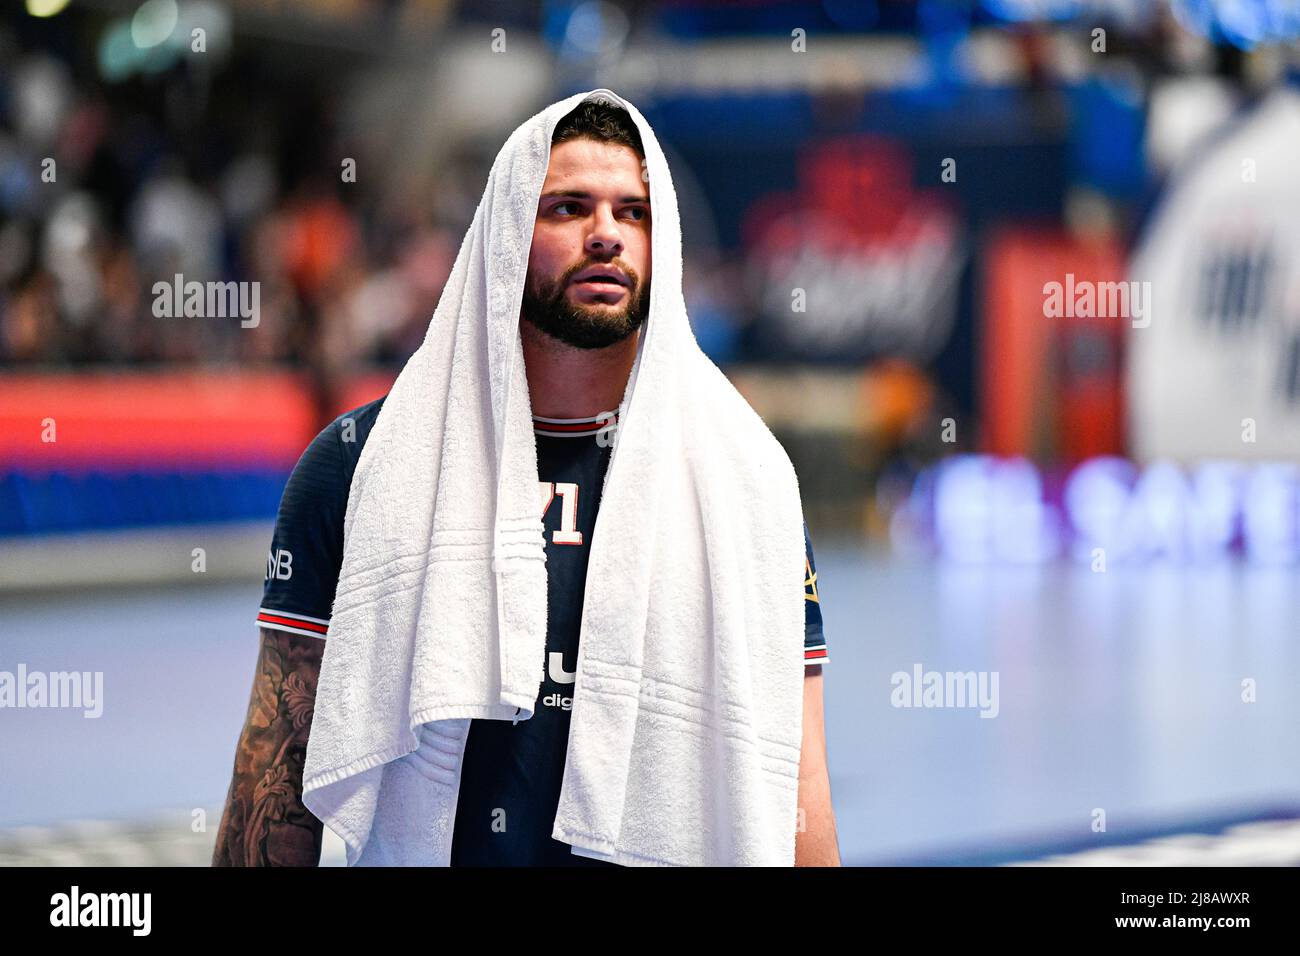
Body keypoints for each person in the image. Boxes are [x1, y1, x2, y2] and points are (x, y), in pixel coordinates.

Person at [212, 96, 839, 867]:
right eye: (569, 207)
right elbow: (276, 773)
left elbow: (798, 774)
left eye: (633, 212)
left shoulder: (748, 481)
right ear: (507, 234)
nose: (606, 232)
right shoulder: (358, 466)